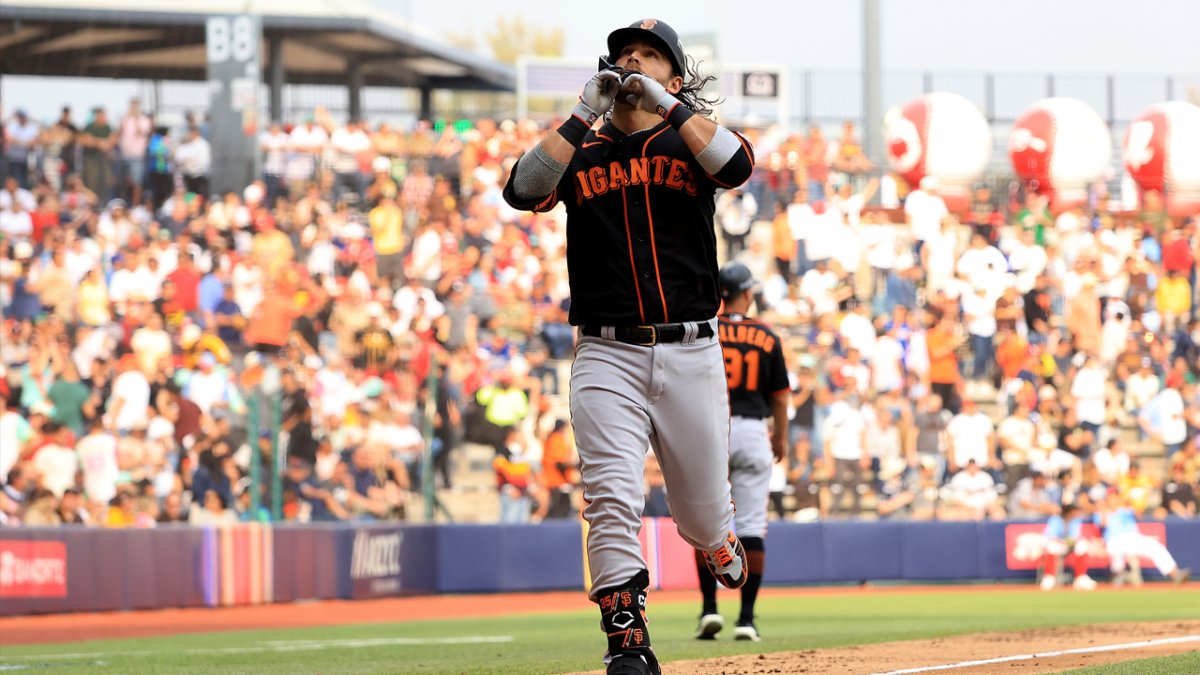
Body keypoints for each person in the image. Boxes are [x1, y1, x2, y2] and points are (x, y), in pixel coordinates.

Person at [502, 18, 755, 675]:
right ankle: (627, 640)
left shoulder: (688, 139)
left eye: (649, 55)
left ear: (674, 75)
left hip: (691, 347)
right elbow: (522, 190)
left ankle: (716, 535)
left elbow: (736, 166)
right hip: (606, 351)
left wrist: (670, 105)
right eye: (624, 54)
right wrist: (583, 111)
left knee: (700, 516)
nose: (633, 62)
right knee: (611, 497)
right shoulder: (582, 147)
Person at [694, 263, 788, 643]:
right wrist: (780, 438)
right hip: (752, 428)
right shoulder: (765, 335)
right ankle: (746, 619)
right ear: (746, 293)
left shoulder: (705, 329)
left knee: (705, 524)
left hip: (710, 428)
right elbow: (780, 397)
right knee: (750, 525)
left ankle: (709, 610)